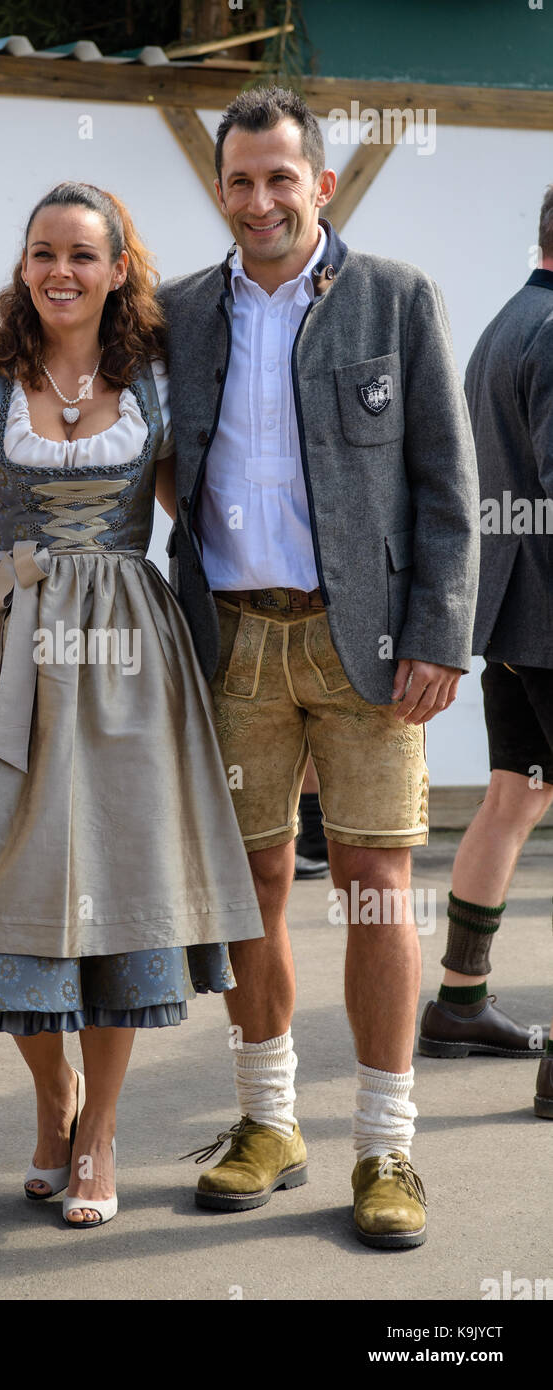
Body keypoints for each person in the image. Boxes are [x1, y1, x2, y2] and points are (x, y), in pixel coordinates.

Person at [0, 87, 480, 1249]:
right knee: (254, 892)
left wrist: (440, 630)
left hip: (369, 644)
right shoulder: (178, 314)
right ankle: (266, 1121)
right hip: (223, 642)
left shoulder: (396, 298)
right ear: (219, 190)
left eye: (280, 178)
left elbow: (448, 482)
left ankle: (385, 1147)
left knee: (377, 887)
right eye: (237, 180)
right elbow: (69, 359)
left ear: (319, 186)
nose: (258, 199)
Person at [0, 182, 263, 1229]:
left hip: (127, 650)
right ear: (21, 264)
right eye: (42, 253)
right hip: (10, 645)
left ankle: (102, 1130)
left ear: (119, 268)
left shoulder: (155, 381)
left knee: (115, 884)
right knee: (14, 882)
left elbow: (198, 506)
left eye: (81, 254)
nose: (58, 271)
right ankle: (53, 1099)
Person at [417, 186, 553, 1115]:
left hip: (510, 613)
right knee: (519, 798)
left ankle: (460, 1001)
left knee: (515, 795)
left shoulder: (510, 319)